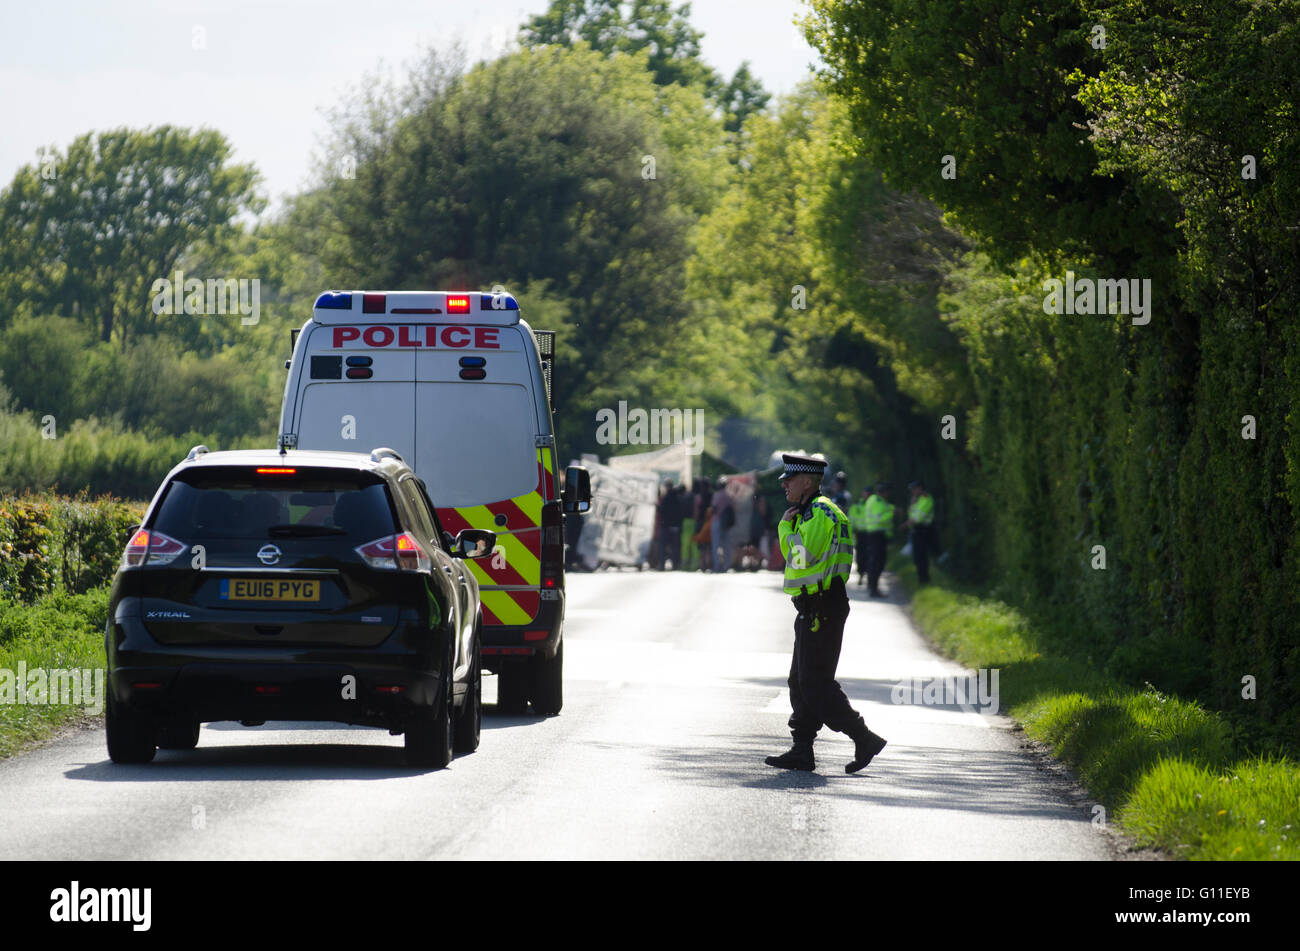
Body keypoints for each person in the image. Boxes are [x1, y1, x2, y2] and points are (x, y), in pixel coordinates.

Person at [766, 453, 887, 774]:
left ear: (807, 482)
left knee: (815, 683)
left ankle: (863, 737)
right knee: (800, 681)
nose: (785, 486)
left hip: (823, 605)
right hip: (812, 605)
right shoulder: (811, 513)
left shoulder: (819, 514)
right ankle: (802, 749)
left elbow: (801, 560)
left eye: (789, 480)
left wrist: (784, 528)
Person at [863, 482, 895, 597]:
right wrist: (892, 512)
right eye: (887, 492)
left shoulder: (877, 500)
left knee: (876, 562)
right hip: (876, 536)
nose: (888, 495)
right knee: (877, 562)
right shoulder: (876, 501)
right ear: (883, 492)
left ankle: (873, 587)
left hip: (877, 535)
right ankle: (873, 588)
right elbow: (880, 518)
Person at [905, 480, 937, 584]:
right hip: (916, 530)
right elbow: (910, 514)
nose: (913, 492)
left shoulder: (926, 499)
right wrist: (912, 504)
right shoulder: (917, 500)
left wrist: (907, 523)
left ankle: (924, 579)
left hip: (924, 530)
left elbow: (918, 518)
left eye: (914, 489)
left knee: (922, 556)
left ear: (920, 488)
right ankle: (921, 579)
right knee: (917, 557)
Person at [847, 486, 871, 587]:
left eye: (869, 493)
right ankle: (861, 574)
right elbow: (851, 520)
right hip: (859, 534)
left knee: (870, 556)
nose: (867, 495)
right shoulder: (856, 506)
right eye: (866, 493)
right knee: (860, 556)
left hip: (870, 534)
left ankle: (870, 577)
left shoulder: (872, 505)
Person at [710, 476, 735, 573]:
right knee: (726, 544)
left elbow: (713, 508)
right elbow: (733, 507)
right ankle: (726, 565)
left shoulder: (716, 495)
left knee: (715, 545)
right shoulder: (729, 495)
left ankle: (716, 566)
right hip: (726, 523)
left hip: (716, 521)